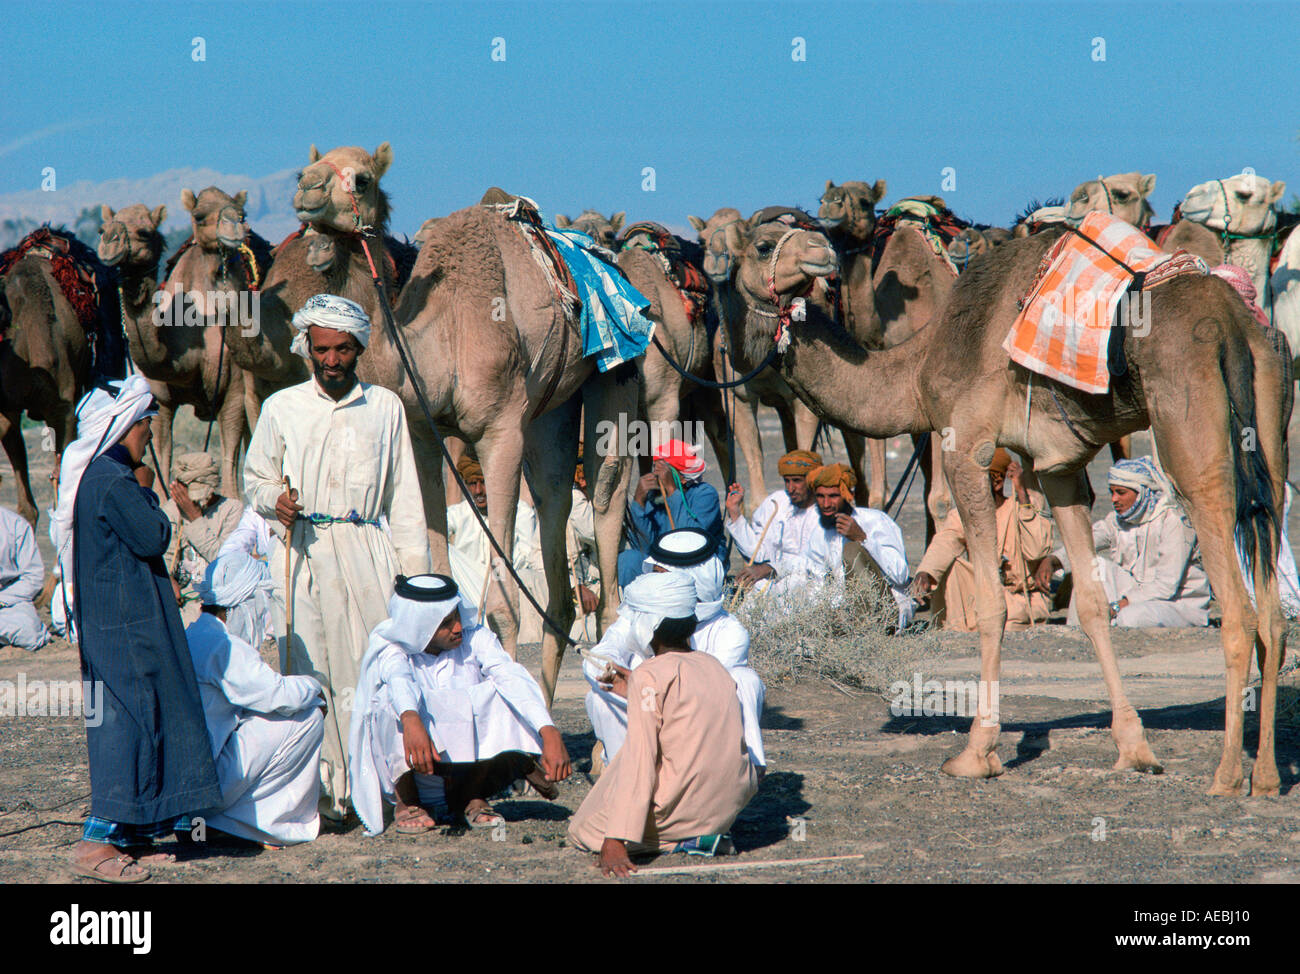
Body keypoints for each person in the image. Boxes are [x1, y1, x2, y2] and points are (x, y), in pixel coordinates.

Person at [243, 293, 431, 823]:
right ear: (307, 347)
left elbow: (407, 502)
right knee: (312, 674)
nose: (332, 360)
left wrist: (415, 585)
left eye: (343, 349)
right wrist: (271, 501)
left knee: (378, 671)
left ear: (359, 348)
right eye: (322, 349)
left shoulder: (386, 407)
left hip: (368, 553)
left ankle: (393, 793)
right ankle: (326, 796)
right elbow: (254, 477)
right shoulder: (282, 407)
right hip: (303, 555)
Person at [51, 374, 222, 883]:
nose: (150, 431)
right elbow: (152, 536)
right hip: (126, 627)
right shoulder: (114, 481)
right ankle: (97, 842)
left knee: (146, 718)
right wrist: (149, 493)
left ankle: (135, 833)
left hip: (126, 622)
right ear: (126, 424)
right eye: (146, 422)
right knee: (125, 725)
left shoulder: (105, 477)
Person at [568, 571, 760, 876]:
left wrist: (615, 839)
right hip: (725, 807)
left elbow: (640, 759)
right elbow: (682, 712)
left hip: (683, 809)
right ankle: (698, 831)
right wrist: (634, 687)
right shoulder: (713, 665)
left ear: (647, 626)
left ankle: (679, 842)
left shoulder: (649, 674)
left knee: (583, 829)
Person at [348, 574, 572, 835]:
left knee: (501, 691)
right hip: (420, 769)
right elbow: (399, 678)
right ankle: (408, 802)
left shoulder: (475, 637)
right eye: (445, 623)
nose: (457, 627)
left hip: (467, 771)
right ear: (419, 626)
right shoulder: (392, 646)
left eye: (456, 616)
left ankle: (472, 796)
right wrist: (410, 720)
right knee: (389, 700)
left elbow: (510, 676)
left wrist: (549, 730)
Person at [584, 527, 765, 774]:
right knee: (599, 697)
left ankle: (747, 772)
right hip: (644, 713)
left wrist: (637, 684)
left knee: (745, 680)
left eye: (664, 576)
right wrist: (620, 678)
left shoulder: (729, 631)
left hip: (699, 731)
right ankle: (627, 779)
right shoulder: (638, 615)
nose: (656, 583)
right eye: (655, 574)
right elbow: (597, 658)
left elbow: (703, 694)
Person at [185, 551, 326, 846]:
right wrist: (314, 686)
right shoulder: (224, 646)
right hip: (204, 788)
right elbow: (279, 695)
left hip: (184, 783)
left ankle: (216, 821)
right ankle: (259, 822)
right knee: (308, 714)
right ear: (245, 603)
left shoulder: (193, 634)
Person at [1034, 457, 1211, 628]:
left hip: (1177, 605)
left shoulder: (1174, 521)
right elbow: (1085, 542)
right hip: (1136, 595)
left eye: (1121, 492)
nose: (1114, 499)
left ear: (1142, 491)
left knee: (1130, 617)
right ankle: (1078, 628)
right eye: (1112, 492)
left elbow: (1166, 586)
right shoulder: (1118, 520)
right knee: (1096, 565)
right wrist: (1054, 560)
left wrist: (1121, 604)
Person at [912, 448, 1054, 630]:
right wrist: (925, 572)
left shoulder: (1024, 506)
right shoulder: (965, 514)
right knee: (949, 566)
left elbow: (1036, 550)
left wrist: (1021, 493)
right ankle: (953, 630)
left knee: (1004, 619)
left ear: (996, 483)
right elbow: (945, 541)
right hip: (984, 595)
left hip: (1020, 602)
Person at [446, 453, 546, 643]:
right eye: (472, 484)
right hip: (468, 591)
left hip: (506, 584)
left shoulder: (521, 511)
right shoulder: (459, 513)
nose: (478, 491)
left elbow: (525, 557)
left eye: (483, 482)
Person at [802, 463, 914, 629]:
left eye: (833, 496)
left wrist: (862, 538)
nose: (826, 504)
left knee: (851, 550)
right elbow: (818, 585)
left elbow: (900, 575)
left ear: (848, 495)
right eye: (820, 496)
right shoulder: (819, 534)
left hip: (889, 611)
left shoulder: (876, 520)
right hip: (848, 615)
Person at [618, 439, 725, 588]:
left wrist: (672, 490)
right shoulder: (656, 498)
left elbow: (689, 539)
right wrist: (639, 502)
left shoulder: (705, 494)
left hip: (695, 567)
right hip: (662, 567)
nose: (656, 475)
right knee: (628, 558)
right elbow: (643, 546)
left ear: (681, 477)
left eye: (662, 472)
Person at [725, 449, 822, 595]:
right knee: (755, 585)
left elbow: (815, 564)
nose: (791, 488)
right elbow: (757, 555)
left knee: (794, 582)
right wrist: (735, 512)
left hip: (812, 588)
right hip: (774, 584)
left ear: (812, 480)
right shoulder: (775, 503)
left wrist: (772, 568)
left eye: (797, 481)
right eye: (787, 481)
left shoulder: (825, 511)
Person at [163, 452, 245, 621]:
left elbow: (225, 562)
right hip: (182, 605)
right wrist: (168, 580)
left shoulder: (231, 509)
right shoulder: (171, 510)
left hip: (219, 605)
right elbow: (164, 557)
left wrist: (195, 518)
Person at [0, 479, 51, 651]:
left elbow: (33, 577)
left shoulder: (15, 525)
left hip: (8, 601)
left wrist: (3, 599)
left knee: (28, 630)